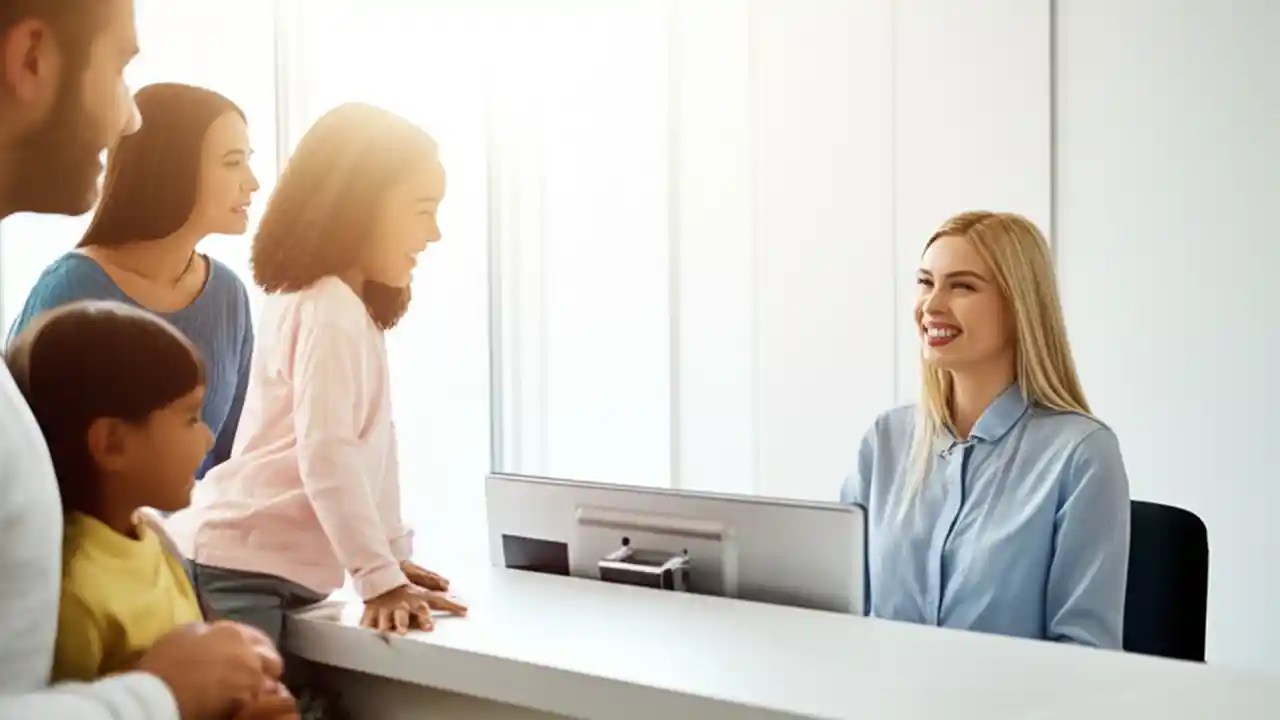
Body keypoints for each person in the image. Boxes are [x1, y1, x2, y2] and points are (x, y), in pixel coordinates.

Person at [0, 2, 288, 718]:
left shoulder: (228, 295)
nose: (131, 120)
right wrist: (160, 695)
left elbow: (222, 464)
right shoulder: (68, 291)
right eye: (123, 65)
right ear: (32, 57)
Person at [167, 103, 468, 650]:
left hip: (253, 566)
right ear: (360, 207)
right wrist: (377, 581)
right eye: (423, 211)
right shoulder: (327, 307)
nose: (436, 233)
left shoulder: (340, 306)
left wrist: (392, 557)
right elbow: (327, 454)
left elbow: (373, 445)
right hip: (237, 566)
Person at [841, 211, 1130, 648]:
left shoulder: (1081, 453)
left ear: (1019, 306)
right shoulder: (886, 440)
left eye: (962, 286)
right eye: (925, 282)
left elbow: (1085, 655)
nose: (932, 305)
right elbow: (838, 613)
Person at [7, 301, 298, 719]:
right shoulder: (77, 590)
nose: (207, 436)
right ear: (112, 443)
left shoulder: (152, 537)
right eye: (190, 417)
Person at [8, 81, 259, 480]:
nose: (253, 181)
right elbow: (23, 458)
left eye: (248, 160)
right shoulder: (69, 290)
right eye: (232, 162)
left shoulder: (229, 295)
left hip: (193, 538)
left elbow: (233, 455)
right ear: (171, 166)